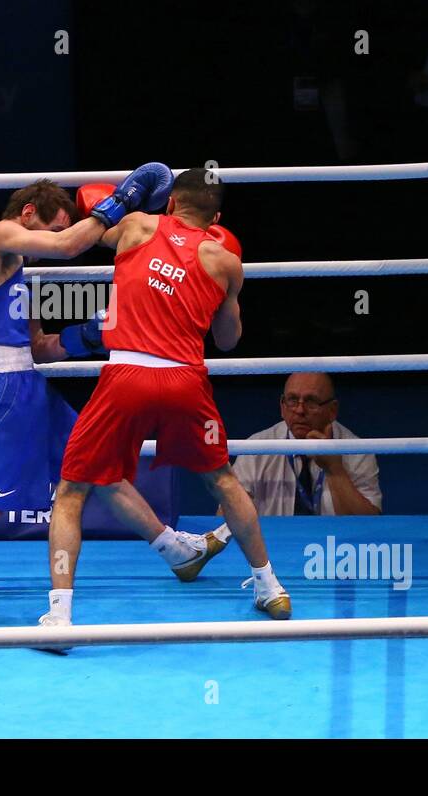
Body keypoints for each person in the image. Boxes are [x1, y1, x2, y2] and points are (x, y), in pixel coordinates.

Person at [0, 167, 227, 616]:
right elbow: (69, 245)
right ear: (28, 213)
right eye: (52, 229)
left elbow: (39, 348)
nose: (54, 243)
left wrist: (88, 336)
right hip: (2, 389)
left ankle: (177, 551)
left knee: (98, 470)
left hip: (27, 384)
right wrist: (122, 201)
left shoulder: (17, 272)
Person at [44, 167, 291, 629]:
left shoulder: (137, 226)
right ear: (216, 217)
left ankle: (60, 614)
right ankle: (270, 586)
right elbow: (228, 340)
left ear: (172, 202)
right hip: (185, 382)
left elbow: (89, 229)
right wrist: (223, 291)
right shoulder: (226, 262)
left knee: (72, 490)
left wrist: (117, 200)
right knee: (223, 480)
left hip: (127, 376)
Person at [222, 372, 382, 517]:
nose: (300, 410)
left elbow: (369, 527)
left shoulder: (358, 451)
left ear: (332, 410)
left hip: (336, 540)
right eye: (292, 400)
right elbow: (226, 516)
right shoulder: (256, 449)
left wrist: (335, 470)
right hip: (274, 539)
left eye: (311, 402)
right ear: (282, 407)